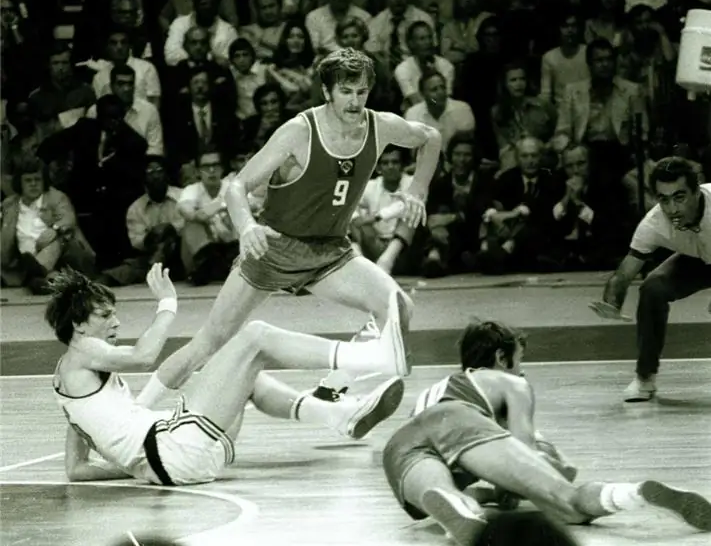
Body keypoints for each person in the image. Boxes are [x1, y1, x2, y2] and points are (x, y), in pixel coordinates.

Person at [136, 47, 442, 409]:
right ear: (327, 92)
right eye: (346, 91)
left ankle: (330, 392)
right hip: (273, 247)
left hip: (329, 251)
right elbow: (237, 186)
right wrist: (247, 226)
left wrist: (418, 188)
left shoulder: (381, 126)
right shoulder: (299, 131)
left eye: (362, 92)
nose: (355, 101)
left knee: (398, 307)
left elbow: (430, 137)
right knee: (209, 341)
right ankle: (136, 411)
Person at [47, 265, 406, 485]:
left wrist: (137, 469)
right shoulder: (82, 351)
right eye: (104, 315)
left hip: (178, 462)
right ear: (78, 325)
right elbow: (143, 356)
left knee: (245, 368)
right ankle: (371, 357)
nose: (116, 321)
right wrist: (167, 304)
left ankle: (338, 412)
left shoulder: (72, 395)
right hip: (176, 450)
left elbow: (76, 470)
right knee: (255, 336)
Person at [382, 319, 711, 546]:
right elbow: (525, 448)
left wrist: (491, 494)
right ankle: (635, 493)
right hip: (457, 422)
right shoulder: (511, 383)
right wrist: (543, 469)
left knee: (443, 493)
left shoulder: (443, 386)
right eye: (519, 360)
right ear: (501, 357)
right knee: (566, 503)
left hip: (400, 447)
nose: (521, 369)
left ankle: (460, 507)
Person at [589, 157, 711, 402]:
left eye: (679, 197)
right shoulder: (654, 222)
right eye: (664, 199)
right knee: (653, 287)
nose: (672, 209)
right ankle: (645, 378)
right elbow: (624, 273)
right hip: (698, 259)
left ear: (697, 191)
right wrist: (612, 302)